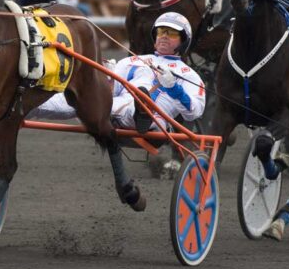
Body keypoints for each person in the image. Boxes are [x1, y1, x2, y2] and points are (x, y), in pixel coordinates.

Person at [31, 12, 205, 175]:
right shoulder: (133, 61)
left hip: (156, 120)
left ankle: (141, 110)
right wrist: (107, 76)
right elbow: (111, 92)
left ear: (183, 41)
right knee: (77, 100)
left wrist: (174, 88)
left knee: (137, 106)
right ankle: (26, 106)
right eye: (161, 31)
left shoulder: (189, 75)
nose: (164, 36)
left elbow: (194, 112)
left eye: (172, 33)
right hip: (113, 108)